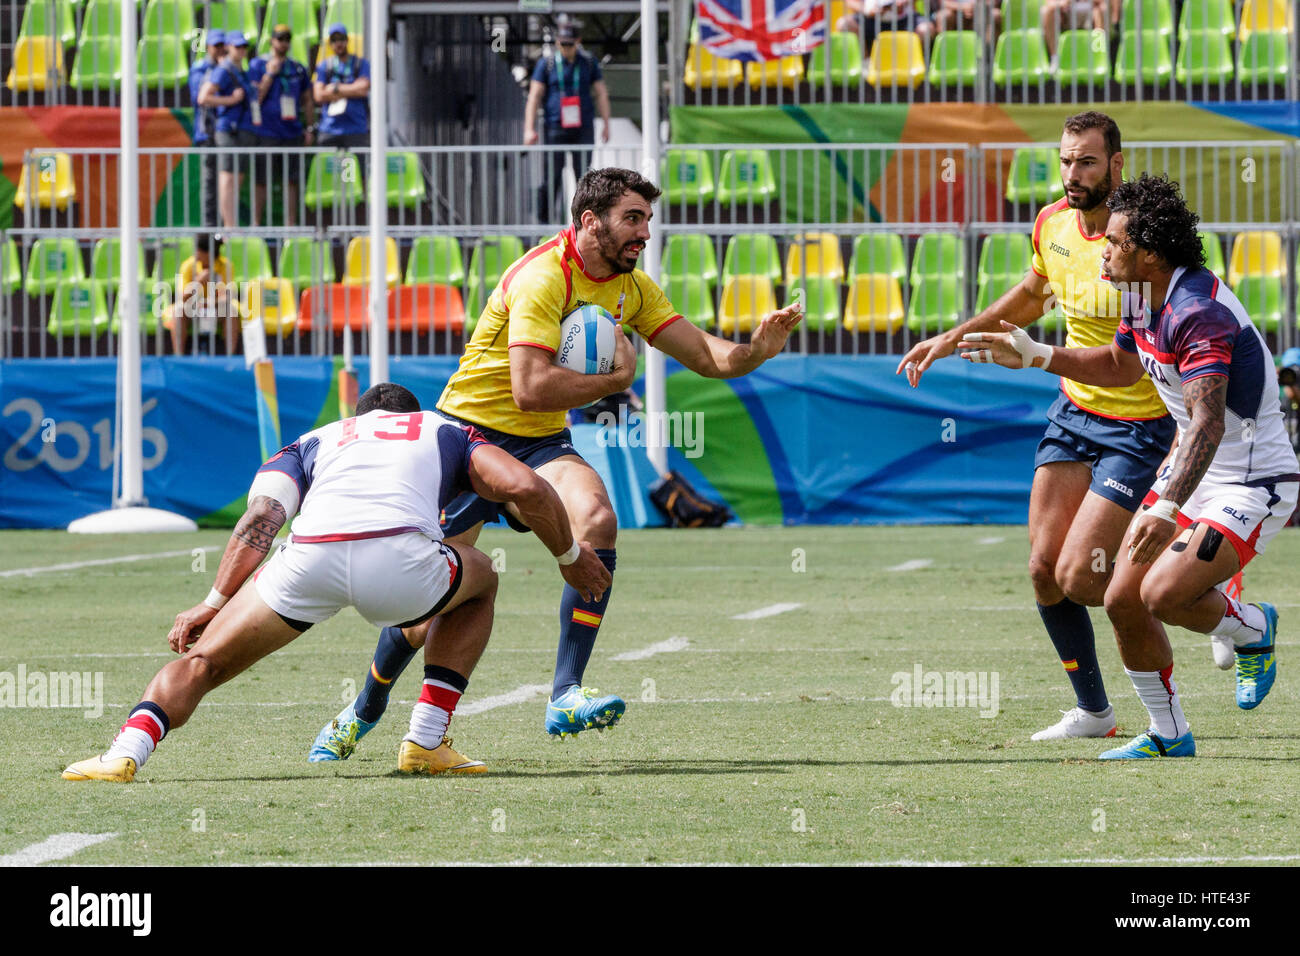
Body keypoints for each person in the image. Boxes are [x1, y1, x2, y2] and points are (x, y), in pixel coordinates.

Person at [307, 166, 803, 760]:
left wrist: (756, 350)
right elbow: (530, 389)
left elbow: (707, 356)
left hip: (540, 445)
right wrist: (615, 379)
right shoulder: (542, 276)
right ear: (590, 222)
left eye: (647, 219)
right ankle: (364, 708)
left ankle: (563, 693)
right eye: (633, 219)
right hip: (466, 440)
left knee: (596, 518)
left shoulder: (631, 288)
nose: (644, 233)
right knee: (426, 602)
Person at [61, 383, 611, 782]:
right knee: (483, 576)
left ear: (358, 416)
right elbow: (527, 487)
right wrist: (567, 556)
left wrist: (213, 602)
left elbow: (260, 522)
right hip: (399, 564)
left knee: (204, 663)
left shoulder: (311, 440)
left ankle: (124, 753)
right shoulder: (443, 429)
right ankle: (424, 741)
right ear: (410, 413)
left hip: (308, 561)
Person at [959, 172, 1299, 759]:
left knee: (1162, 593)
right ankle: (1169, 734)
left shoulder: (1199, 313)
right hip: (1191, 468)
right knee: (1118, 598)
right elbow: (1121, 365)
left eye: (1115, 242)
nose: (1104, 251)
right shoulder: (1144, 294)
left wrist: (1165, 505)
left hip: (1251, 480)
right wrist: (1040, 355)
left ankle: (1252, 629)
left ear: (1149, 251)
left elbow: (1208, 423)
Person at [896, 112, 1176, 743]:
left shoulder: (1137, 240)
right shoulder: (1051, 223)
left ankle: (1215, 613)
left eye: (1087, 162)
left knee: (1089, 577)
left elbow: (1124, 361)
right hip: (1075, 413)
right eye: (1066, 161)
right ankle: (1095, 712)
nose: (1073, 175)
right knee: (1044, 569)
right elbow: (1031, 294)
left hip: (1137, 425)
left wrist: (1039, 357)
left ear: (1117, 164)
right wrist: (950, 338)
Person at [524, 23, 612, 224]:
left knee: (584, 179)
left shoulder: (588, 62)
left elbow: (600, 92)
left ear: (578, 42)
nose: (565, 48)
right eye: (562, 44)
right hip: (555, 127)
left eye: (569, 44)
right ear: (557, 42)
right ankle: (544, 224)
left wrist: (607, 123)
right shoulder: (546, 64)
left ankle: (582, 223)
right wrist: (528, 129)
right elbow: (534, 96)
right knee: (551, 178)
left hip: (582, 128)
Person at [248, 23, 314, 227]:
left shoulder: (297, 68)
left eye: (287, 39)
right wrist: (270, 74)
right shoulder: (258, 65)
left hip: (291, 131)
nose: (283, 43)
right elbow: (255, 98)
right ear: (271, 41)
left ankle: (290, 225)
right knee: (261, 180)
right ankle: (256, 225)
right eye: (280, 39)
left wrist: (310, 128)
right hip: (266, 131)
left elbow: (308, 100)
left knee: (291, 181)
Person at [199, 32, 256, 229]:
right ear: (229, 48)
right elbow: (204, 97)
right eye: (237, 47)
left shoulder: (243, 72)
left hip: (242, 130)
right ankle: (229, 226)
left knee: (237, 177)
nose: (241, 51)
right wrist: (230, 100)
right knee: (227, 176)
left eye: (243, 47)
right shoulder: (223, 71)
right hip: (227, 130)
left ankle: (231, 223)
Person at [165, 232, 239, 356]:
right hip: (191, 307)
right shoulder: (188, 266)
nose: (195, 254)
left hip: (215, 307)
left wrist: (209, 303)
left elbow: (226, 296)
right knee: (178, 311)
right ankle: (178, 356)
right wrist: (198, 281)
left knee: (231, 311)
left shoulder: (226, 266)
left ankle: (230, 357)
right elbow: (182, 298)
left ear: (208, 253)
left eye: (198, 250)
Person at [312, 23, 370, 151]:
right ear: (330, 43)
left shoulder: (360, 64)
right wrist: (352, 88)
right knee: (330, 170)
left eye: (341, 39)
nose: (338, 43)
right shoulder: (324, 66)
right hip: (330, 129)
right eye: (334, 40)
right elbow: (319, 95)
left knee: (351, 169)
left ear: (347, 40)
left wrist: (335, 89)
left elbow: (363, 89)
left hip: (355, 129)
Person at [189, 29, 225, 227]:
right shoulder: (200, 69)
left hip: (228, 132)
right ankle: (210, 228)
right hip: (207, 132)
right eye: (216, 46)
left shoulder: (229, 68)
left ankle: (225, 226)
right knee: (210, 183)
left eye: (223, 46)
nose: (220, 50)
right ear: (208, 48)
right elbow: (200, 98)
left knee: (228, 182)